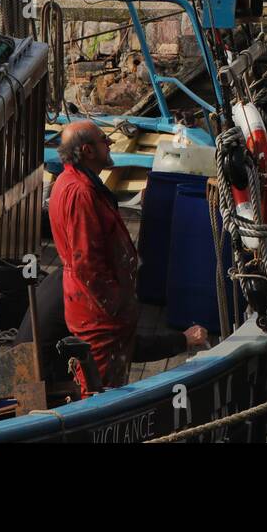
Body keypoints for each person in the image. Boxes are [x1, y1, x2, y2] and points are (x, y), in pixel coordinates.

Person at [49, 120, 209, 386]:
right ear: (88, 151)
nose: (110, 144)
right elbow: (86, 263)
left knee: (104, 378)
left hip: (95, 308)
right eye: (104, 140)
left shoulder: (75, 184)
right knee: (99, 388)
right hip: (97, 314)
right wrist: (116, 306)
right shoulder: (80, 193)